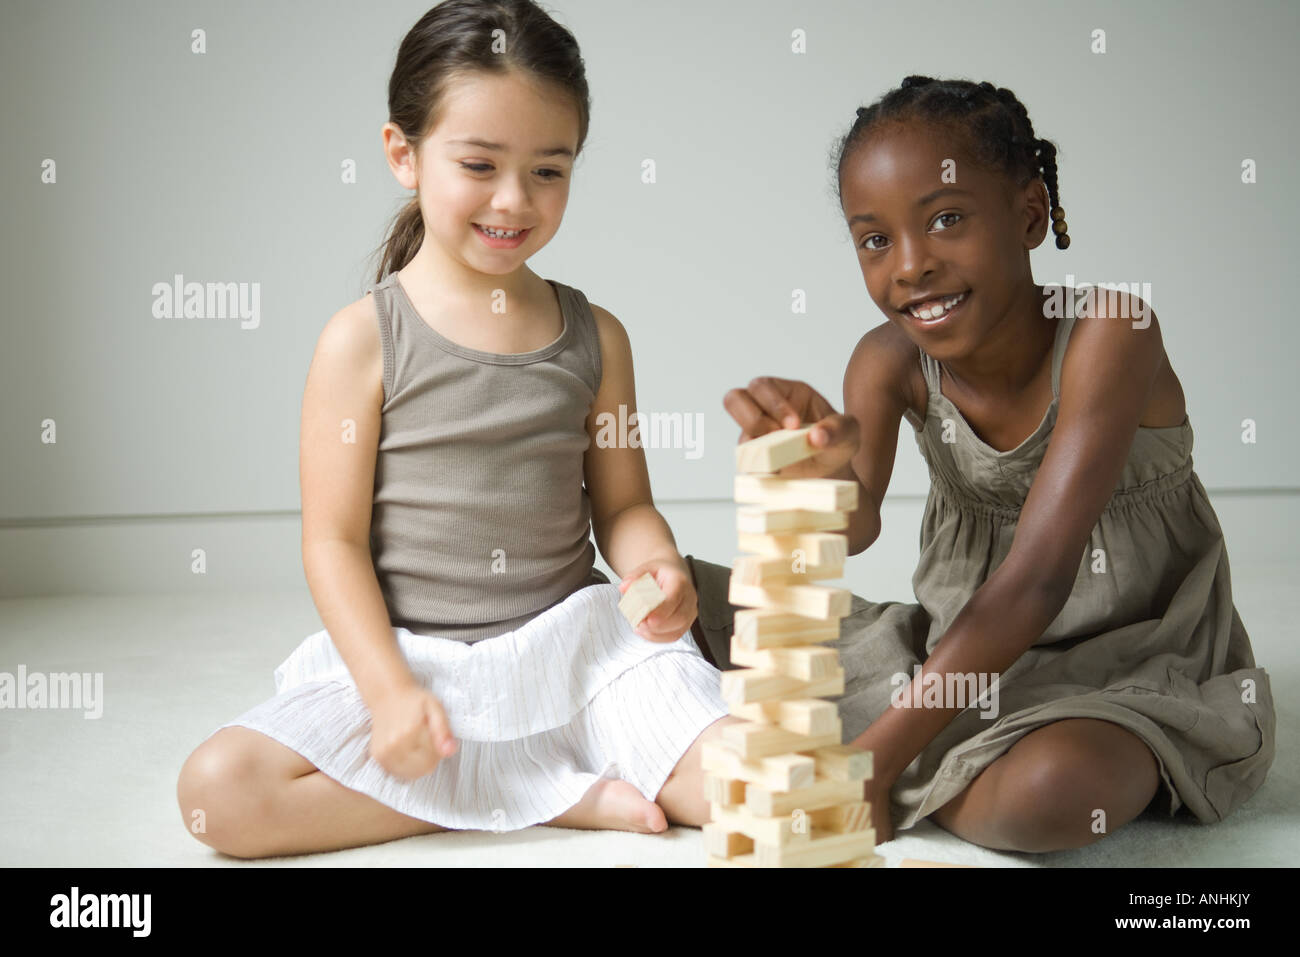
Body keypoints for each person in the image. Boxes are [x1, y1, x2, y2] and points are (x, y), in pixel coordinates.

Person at [176, 0, 746, 859]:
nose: (514, 200)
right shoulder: (362, 340)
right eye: (479, 164)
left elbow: (623, 506)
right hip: (413, 660)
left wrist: (655, 567)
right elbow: (331, 542)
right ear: (403, 154)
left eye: (549, 171)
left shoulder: (599, 337)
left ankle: (508, 776)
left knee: (752, 781)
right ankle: (534, 792)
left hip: (576, 653)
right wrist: (390, 688)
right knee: (219, 796)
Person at [690, 75, 1276, 853]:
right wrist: (811, 467)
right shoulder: (886, 360)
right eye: (875, 239)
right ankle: (914, 761)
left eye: (946, 220)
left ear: (1029, 215)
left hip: (1128, 667)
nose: (909, 266)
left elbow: (1037, 577)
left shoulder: (1111, 333)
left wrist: (879, 756)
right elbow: (854, 525)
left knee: (1048, 796)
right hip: (958, 651)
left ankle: (886, 773)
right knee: (686, 601)